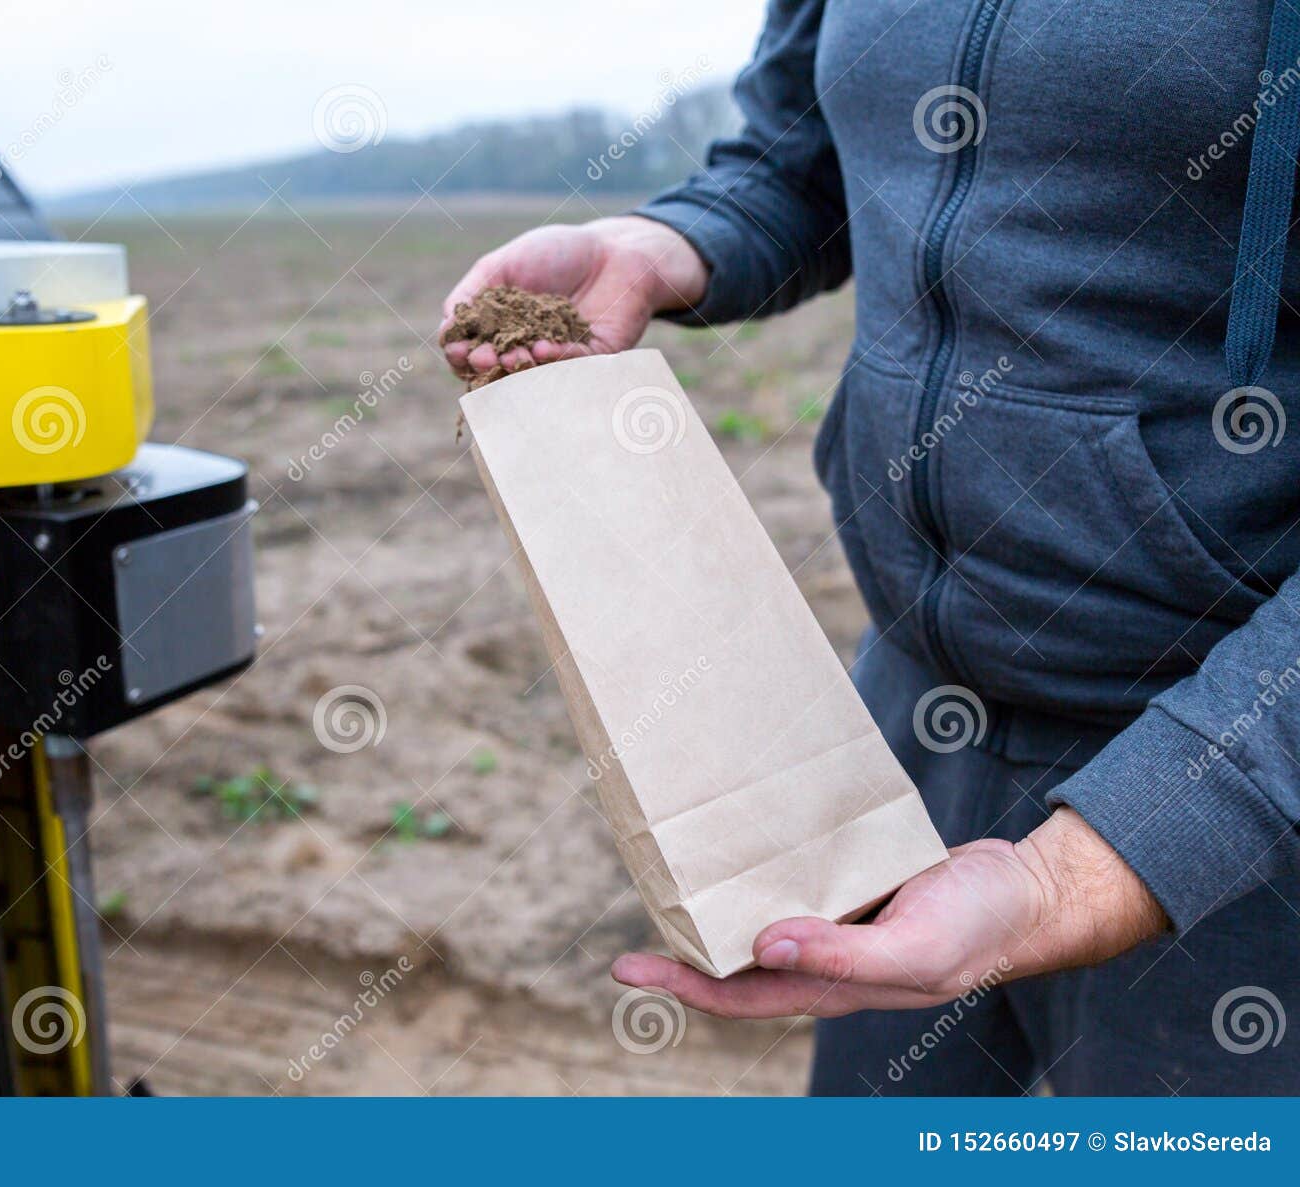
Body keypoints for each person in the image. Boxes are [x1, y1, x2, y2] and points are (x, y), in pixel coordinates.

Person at [439, 1, 1300, 1095]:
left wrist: (1081, 874)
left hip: (1239, 782)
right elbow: (797, 157)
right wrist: (660, 244)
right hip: (903, 729)